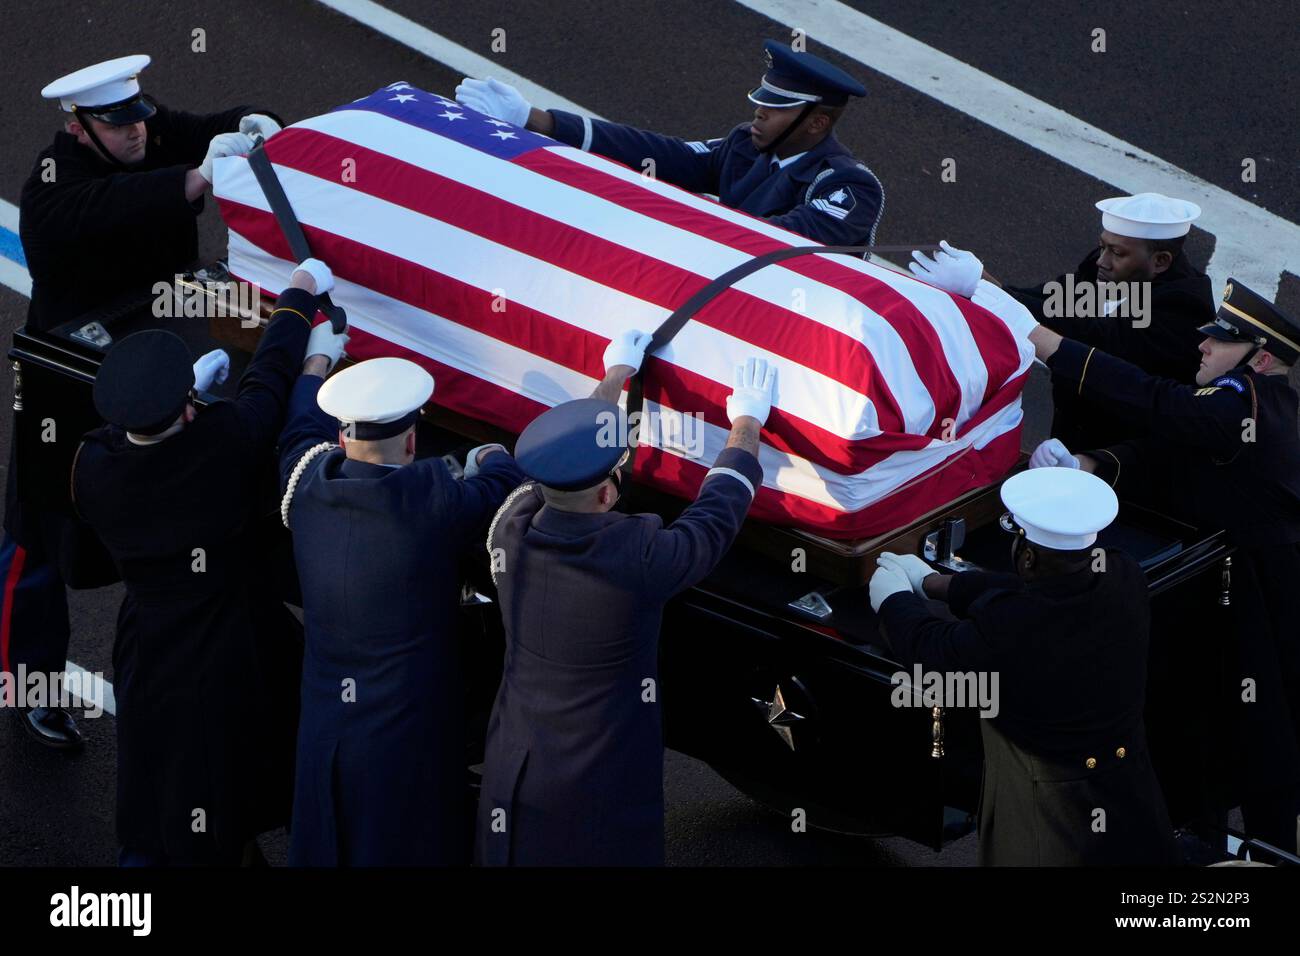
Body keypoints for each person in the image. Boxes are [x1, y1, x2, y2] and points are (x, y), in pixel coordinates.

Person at [2, 53, 281, 748]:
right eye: (116, 126)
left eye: (138, 120)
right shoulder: (51, 185)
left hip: (158, 357)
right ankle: (27, 681)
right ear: (78, 126)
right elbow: (108, 208)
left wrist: (255, 124)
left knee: (175, 518)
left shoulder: (145, 133)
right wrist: (195, 177)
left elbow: (208, 127)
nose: (136, 134)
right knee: (36, 535)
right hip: (71, 379)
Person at [70, 258, 348, 865]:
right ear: (185, 411)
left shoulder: (93, 467)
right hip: (235, 639)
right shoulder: (222, 445)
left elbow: (132, 451)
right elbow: (269, 383)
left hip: (150, 642)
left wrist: (184, 395)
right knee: (243, 762)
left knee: (164, 775)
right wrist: (302, 305)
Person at [1024, 280, 1300, 856]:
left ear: (1262, 356)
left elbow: (1156, 402)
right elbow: (1173, 452)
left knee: (1265, 742)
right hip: (1241, 593)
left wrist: (1048, 342)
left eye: (1221, 341)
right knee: (1217, 727)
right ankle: (1209, 839)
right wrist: (1090, 463)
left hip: (1268, 607)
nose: (1203, 346)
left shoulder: (1243, 403)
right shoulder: (1256, 403)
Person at [475, 334, 773, 866]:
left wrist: (614, 376)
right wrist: (747, 422)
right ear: (611, 493)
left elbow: (565, 449)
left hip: (515, 761)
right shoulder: (636, 559)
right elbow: (716, 514)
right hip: (595, 776)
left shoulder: (511, 530)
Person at [278, 354, 525, 866]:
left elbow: (301, 428)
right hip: (407, 728)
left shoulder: (306, 486)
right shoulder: (431, 499)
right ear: (412, 442)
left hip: (327, 722)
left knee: (332, 837)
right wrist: (492, 455)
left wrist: (315, 361)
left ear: (342, 439)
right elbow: (502, 486)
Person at [869, 468, 1180, 865]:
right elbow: (1035, 593)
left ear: (1028, 556)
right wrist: (936, 583)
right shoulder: (1122, 576)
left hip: (1049, 800)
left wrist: (894, 600)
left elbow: (934, 653)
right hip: (1126, 778)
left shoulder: (1013, 627)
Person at [455, 40, 883, 246]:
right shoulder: (744, 146)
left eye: (777, 108)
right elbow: (665, 155)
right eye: (761, 102)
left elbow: (774, 240)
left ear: (817, 122)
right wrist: (540, 120)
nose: (759, 112)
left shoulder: (845, 187)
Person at [993, 192, 1214, 449]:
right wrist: (984, 284)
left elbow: (1096, 336)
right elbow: (1052, 301)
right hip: (1071, 434)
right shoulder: (1107, 272)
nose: (1102, 260)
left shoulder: (1183, 309)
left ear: (1161, 261)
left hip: (1123, 458)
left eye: (1118, 253)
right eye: (1103, 247)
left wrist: (996, 298)